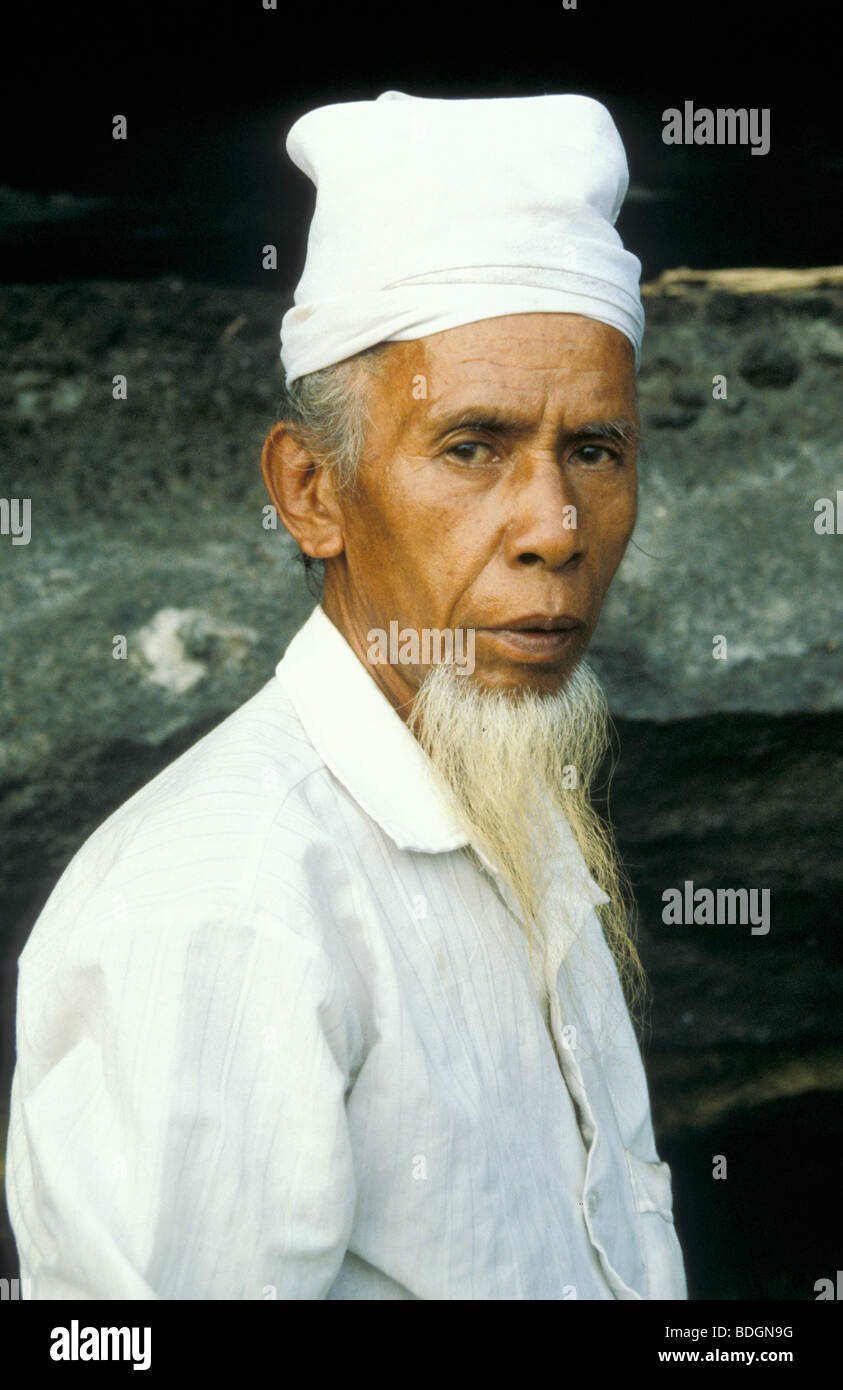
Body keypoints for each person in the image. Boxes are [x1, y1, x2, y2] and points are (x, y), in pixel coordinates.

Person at [5, 89, 688, 1299]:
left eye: (596, 448)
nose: (555, 526)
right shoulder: (230, 900)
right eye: (473, 446)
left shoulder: (516, 812)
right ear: (312, 492)